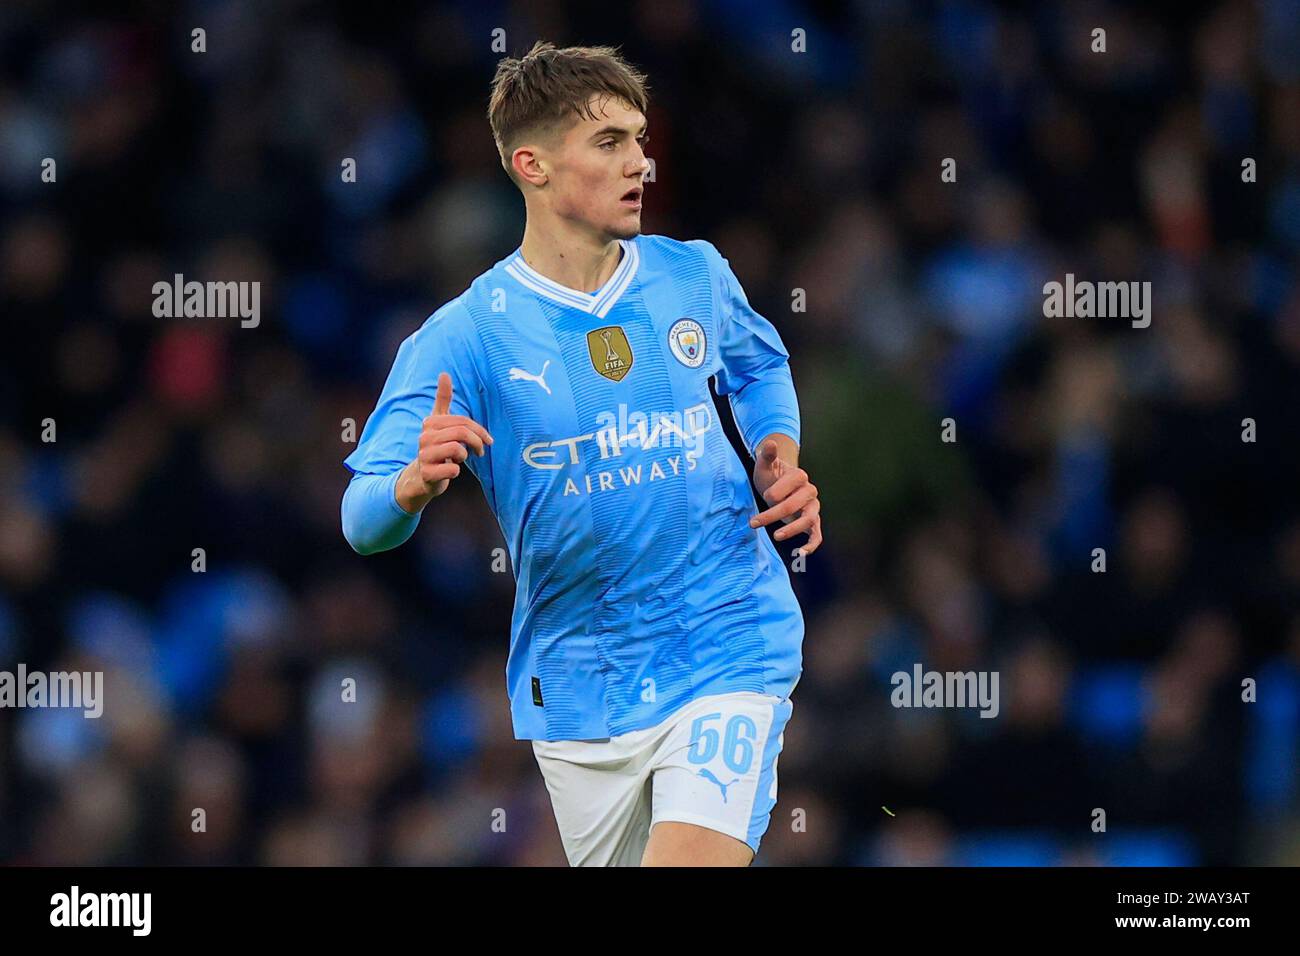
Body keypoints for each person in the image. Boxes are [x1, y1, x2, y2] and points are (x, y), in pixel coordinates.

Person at [341, 41, 822, 866]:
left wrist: (776, 452)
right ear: (531, 164)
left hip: (728, 640)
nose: (642, 163)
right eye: (610, 143)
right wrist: (414, 487)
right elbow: (361, 522)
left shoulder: (695, 276)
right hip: (581, 691)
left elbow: (761, 368)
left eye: (640, 139)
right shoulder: (466, 336)